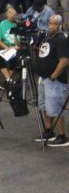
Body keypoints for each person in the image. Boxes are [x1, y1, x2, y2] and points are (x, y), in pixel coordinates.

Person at [31, 15, 69, 146]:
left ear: (59, 25)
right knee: (45, 106)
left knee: (56, 107)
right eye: (50, 23)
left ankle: (62, 136)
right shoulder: (48, 37)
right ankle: (49, 131)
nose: (51, 26)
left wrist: (53, 76)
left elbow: (64, 61)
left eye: (55, 24)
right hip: (44, 78)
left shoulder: (61, 39)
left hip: (55, 80)